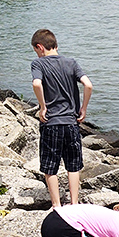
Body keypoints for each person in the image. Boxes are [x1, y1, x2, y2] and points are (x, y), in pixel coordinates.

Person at [30, 28, 93, 207]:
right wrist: (83, 108)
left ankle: (57, 206)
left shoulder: (38, 64)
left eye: (36, 51)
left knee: (50, 166)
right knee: (73, 165)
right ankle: (74, 204)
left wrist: (43, 107)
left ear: (40, 47)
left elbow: (36, 83)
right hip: (71, 123)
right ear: (55, 45)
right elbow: (88, 85)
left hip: (51, 123)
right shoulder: (71, 62)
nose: (37, 54)